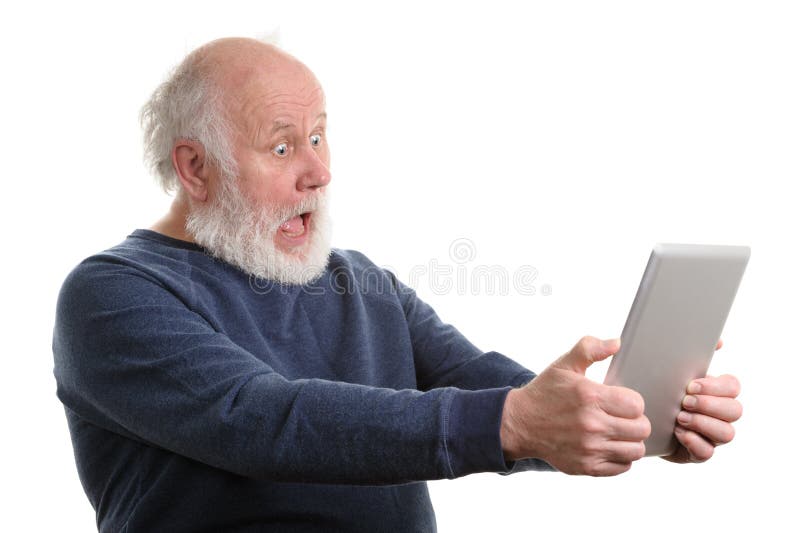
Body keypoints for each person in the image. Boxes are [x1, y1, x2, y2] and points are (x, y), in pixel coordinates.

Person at [52, 37, 743, 532]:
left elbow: (486, 387)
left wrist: (622, 415)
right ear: (195, 168)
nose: (318, 172)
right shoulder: (112, 293)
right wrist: (516, 421)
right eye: (283, 146)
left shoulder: (358, 281)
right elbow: (263, 419)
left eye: (319, 137)